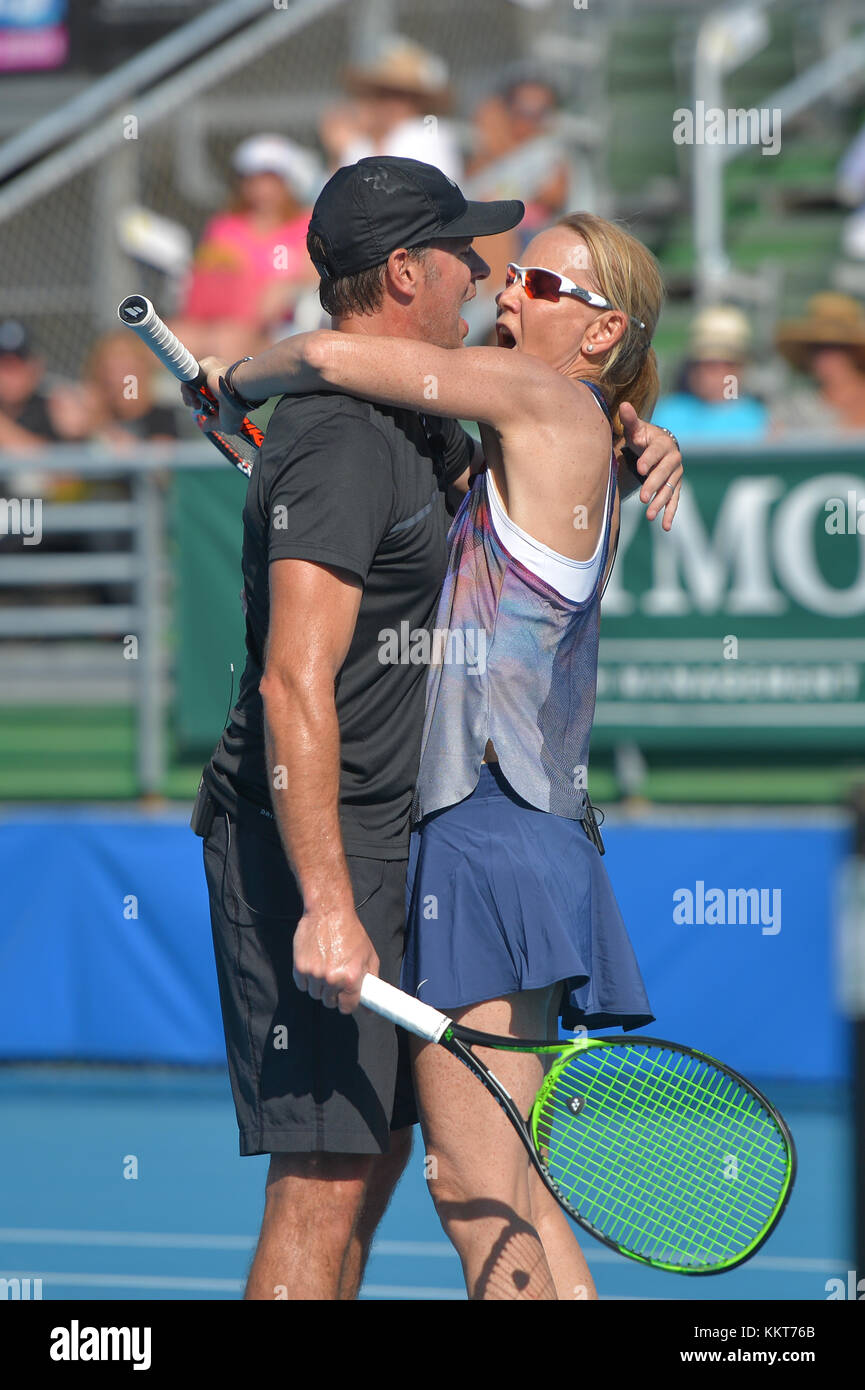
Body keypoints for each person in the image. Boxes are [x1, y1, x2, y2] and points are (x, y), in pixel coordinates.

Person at [193, 166, 681, 1299]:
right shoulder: (535, 429)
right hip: (505, 834)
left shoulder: (547, 410)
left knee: (478, 1192)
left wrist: (231, 377)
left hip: (490, 836)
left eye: (538, 282)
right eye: (504, 275)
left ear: (603, 328)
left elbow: (322, 357)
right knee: (507, 1189)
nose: (503, 291)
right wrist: (634, 418)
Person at [174, 134, 323, 362]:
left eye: (271, 179)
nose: (262, 188)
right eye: (253, 179)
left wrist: (285, 290)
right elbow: (209, 275)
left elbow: (313, 275)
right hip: (219, 320)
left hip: (277, 329)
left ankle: (224, 395)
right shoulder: (225, 226)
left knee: (225, 341)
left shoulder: (306, 225)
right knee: (167, 339)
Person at [319, 36, 462, 181]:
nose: (384, 104)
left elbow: (397, 194)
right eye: (379, 93)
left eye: (397, 95)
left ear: (418, 101)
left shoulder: (425, 133)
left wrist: (349, 148)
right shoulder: (370, 141)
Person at [652, 305, 768, 446]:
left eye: (726, 364)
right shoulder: (666, 415)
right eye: (706, 364)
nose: (714, 373)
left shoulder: (759, 420)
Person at [772, 292, 865, 434]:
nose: (825, 357)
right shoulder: (794, 410)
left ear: (854, 352)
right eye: (817, 348)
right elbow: (775, 449)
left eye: (836, 347)